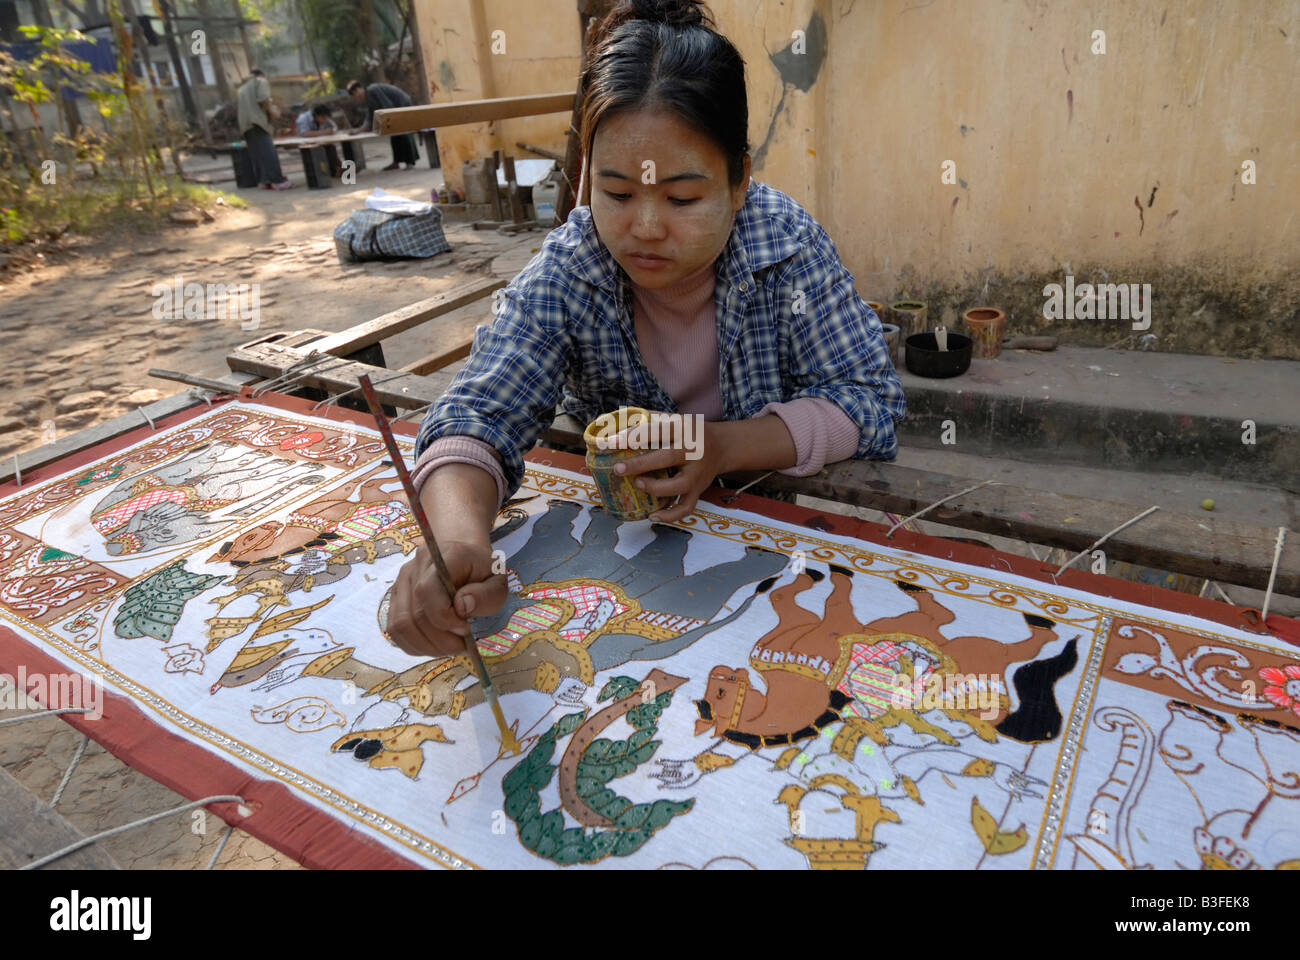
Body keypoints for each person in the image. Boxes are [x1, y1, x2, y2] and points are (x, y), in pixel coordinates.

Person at [385, 0, 905, 659]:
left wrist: (721, 447)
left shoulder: (786, 252)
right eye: (618, 193)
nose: (647, 228)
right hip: (630, 568)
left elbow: (868, 402)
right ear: (587, 184)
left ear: (740, 180)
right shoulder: (575, 268)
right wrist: (458, 544)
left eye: (683, 198)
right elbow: (478, 413)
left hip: (774, 552)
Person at [236, 68, 293, 190]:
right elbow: (263, 99)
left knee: (257, 154)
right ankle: (277, 180)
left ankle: (264, 181)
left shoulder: (242, 88)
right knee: (268, 153)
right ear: (261, 75)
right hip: (257, 122)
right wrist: (273, 111)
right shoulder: (260, 81)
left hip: (245, 124)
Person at [347, 79, 419, 170]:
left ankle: (410, 162)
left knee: (403, 133)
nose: (357, 95)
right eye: (354, 94)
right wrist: (358, 131)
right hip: (395, 108)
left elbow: (387, 105)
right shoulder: (369, 96)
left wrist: (383, 123)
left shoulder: (372, 90)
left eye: (356, 91)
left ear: (361, 88)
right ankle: (396, 162)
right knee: (394, 135)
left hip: (403, 105)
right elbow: (370, 116)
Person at [295, 103, 342, 177]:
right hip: (307, 144)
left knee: (331, 147)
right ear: (317, 116)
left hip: (321, 142)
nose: (325, 120)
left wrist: (332, 130)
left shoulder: (324, 117)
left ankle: (337, 169)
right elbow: (304, 133)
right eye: (323, 118)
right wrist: (325, 132)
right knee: (321, 151)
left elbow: (334, 127)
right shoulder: (303, 118)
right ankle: (335, 170)